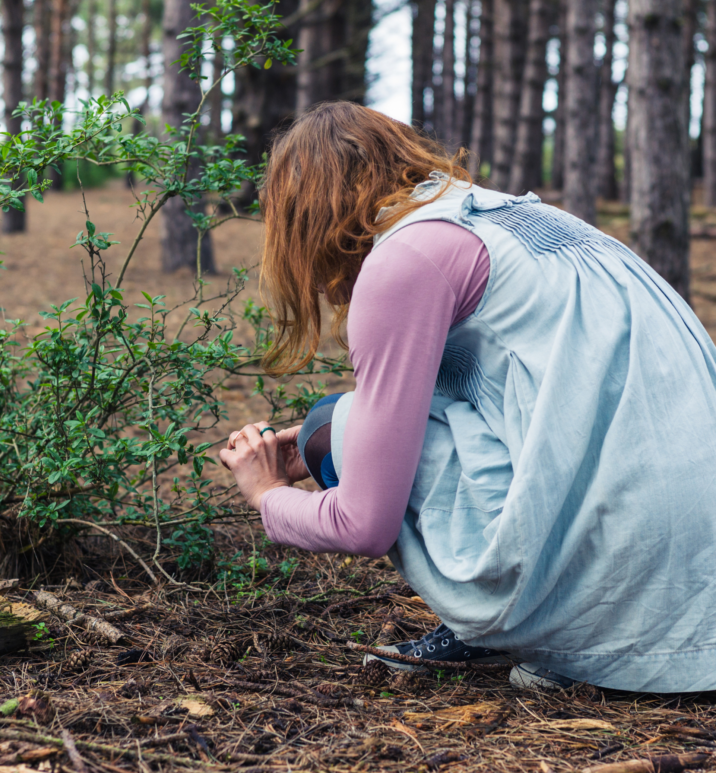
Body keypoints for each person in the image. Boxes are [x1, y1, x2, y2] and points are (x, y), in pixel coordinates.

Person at [220, 101, 716, 692]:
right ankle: (512, 632)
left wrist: (267, 494)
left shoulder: (404, 258)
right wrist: (314, 442)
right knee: (329, 425)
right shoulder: (506, 216)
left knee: (341, 421)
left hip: (628, 573)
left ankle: (557, 637)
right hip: (693, 567)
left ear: (306, 219)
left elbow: (363, 525)